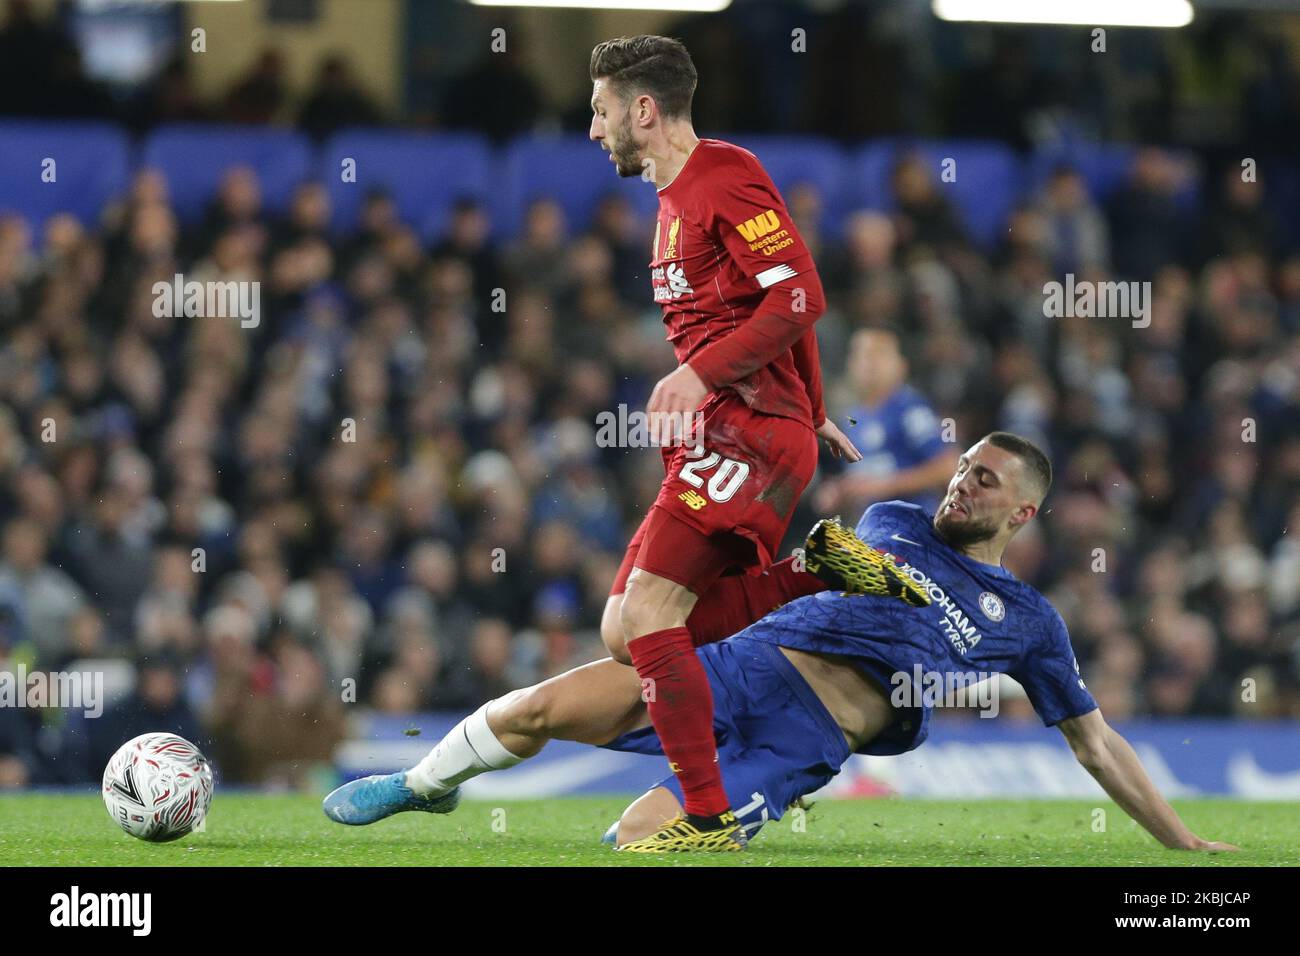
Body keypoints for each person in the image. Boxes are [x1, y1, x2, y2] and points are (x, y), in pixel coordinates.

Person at [323, 433, 1238, 855]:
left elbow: (1096, 740)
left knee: (639, 844)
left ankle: (724, 816)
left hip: (804, 739)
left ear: (1025, 511)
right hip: (738, 665)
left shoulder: (1031, 622)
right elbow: (803, 561)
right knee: (538, 708)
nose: (961, 488)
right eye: (961, 472)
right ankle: (420, 786)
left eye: (984, 482)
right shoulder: (889, 518)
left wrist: (1182, 842)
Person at [581, 34, 909, 850]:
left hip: (749, 434)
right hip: (738, 430)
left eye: (601, 111)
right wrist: (817, 405)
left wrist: (714, 382)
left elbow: (800, 294)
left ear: (643, 111)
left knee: (651, 613)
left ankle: (705, 812)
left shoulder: (725, 175)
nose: (593, 130)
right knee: (625, 631)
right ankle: (810, 573)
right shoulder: (667, 204)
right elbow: (775, 303)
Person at [815, 328, 958, 519]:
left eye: (878, 354)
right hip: (871, 532)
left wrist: (885, 485)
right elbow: (864, 479)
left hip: (912, 528)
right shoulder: (851, 419)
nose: (868, 363)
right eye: (861, 355)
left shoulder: (910, 408)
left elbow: (949, 466)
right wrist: (839, 491)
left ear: (901, 365)